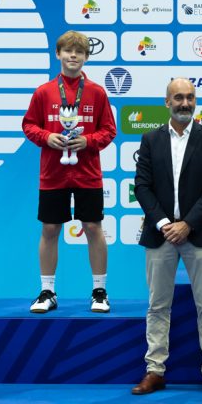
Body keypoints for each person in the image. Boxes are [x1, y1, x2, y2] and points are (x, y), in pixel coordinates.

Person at [131, 78, 202, 396]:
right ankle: (154, 370)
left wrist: (186, 224)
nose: (185, 103)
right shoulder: (150, 139)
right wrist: (163, 223)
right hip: (160, 236)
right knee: (158, 306)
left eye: (190, 97)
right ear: (167, 102)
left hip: (198, 234)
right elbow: (142, 186)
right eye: (178, 98)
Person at [21, 30, 117, 314]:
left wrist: (89, 141)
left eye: (79, 52)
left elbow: (109, 130)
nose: (73, 56)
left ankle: (99, 291)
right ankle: (47, 291)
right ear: (58, 54)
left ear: (86, 57)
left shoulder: (97, 92)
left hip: (87, 172)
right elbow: (29, 125)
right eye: (68, 51)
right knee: (50, 229)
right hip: (53, 173)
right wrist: (46, 137)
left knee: (92, 228)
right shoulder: (44, 92)